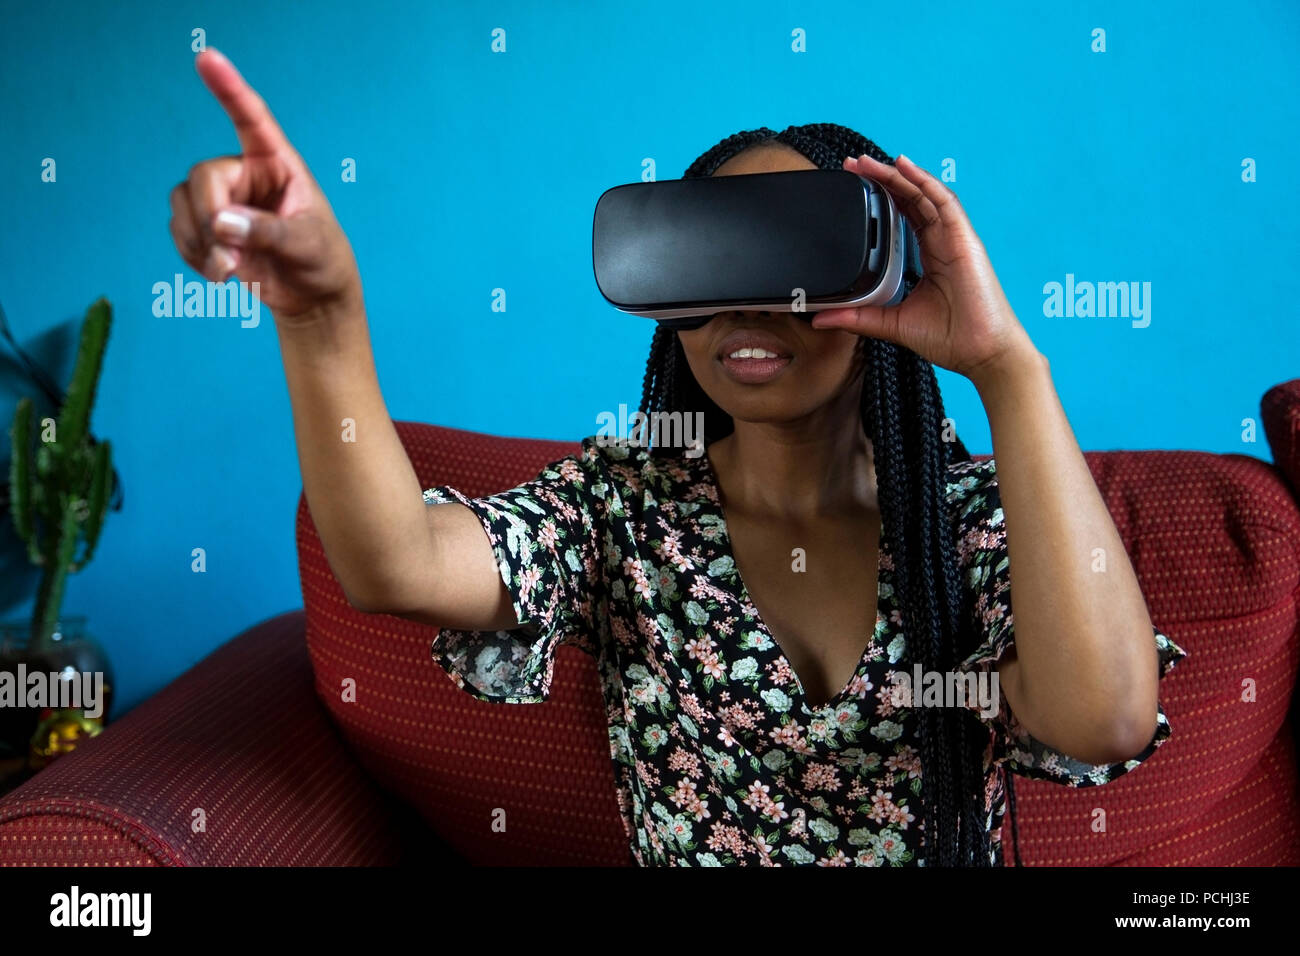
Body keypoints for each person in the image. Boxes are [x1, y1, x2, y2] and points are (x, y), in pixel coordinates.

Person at [169, 48, 1187, 867]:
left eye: (791, 260)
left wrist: (1008, 368)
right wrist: (319, 313)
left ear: (883, 275)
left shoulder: (967, 518)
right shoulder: (625, 501)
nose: (746, 308)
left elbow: (1099, 719)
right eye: (713, 258)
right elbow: (392, 563)